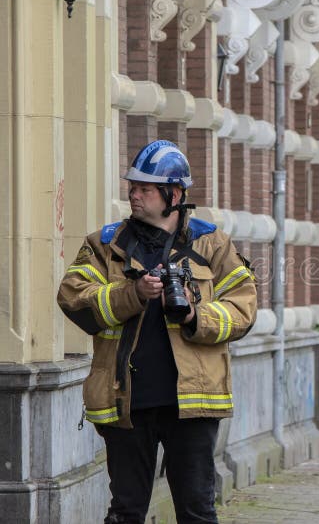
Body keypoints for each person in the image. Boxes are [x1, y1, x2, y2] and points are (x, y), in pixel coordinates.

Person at [57, 140, 258, 523]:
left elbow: (244, 307)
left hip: (193, 404)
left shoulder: (211, 244)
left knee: (197, 511)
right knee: (126, 511)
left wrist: (193, 317)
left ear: (174, 193)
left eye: (144, 188)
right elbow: (72, 297)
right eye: (132, 187)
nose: (134, 194)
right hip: (126, 402)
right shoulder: (106, 244)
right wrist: (132, 294)